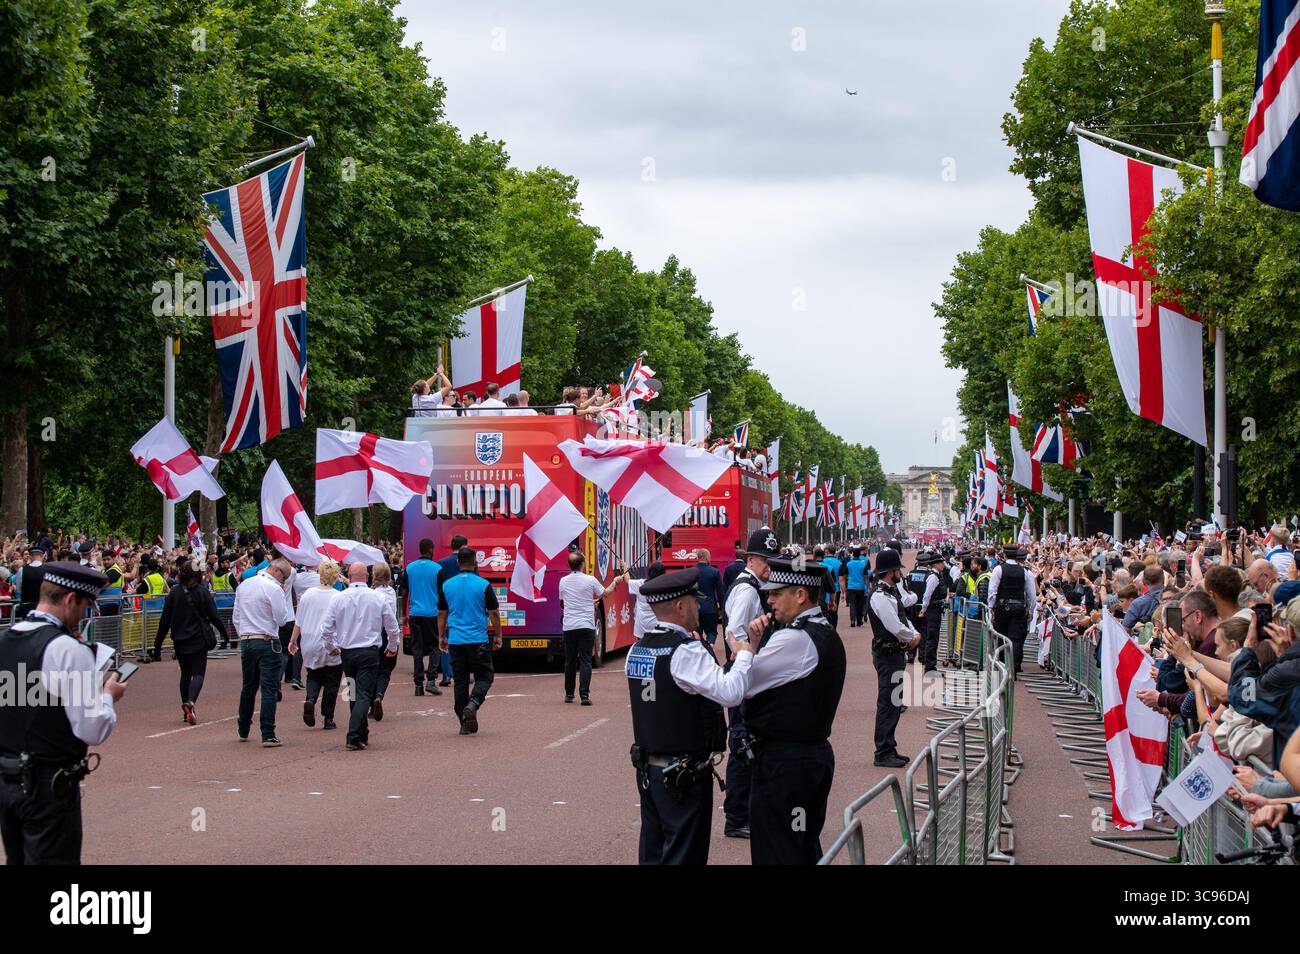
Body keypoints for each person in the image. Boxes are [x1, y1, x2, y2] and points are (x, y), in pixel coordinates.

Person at [625, 567, 754, 864]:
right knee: (685, 854)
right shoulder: (685, 651)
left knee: (653, 852)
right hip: (683, 775)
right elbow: (730, 693)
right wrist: (744, 653)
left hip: (649, 769)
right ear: (680, 606)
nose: (701, 606)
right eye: (695, 601)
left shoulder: (638, 649)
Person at [0, 562, 125, 864]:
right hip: (49, 784)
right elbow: (92, 728)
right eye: (86, 605)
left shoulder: (5, 640)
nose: (85, 614)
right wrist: (108, 696)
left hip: (7, 778)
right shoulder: (68, 650)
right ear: (70, 599)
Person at [737, 556, 847, 864]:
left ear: (800, 595)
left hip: (784, 764)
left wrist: (744, 651)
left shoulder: (794, 639)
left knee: (777, 850)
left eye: (776, 592)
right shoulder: (820, 630)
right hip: (808, 758)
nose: (769, 599)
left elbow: (739, 686)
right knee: (801, 847)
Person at [718, 526, 781, 839]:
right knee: (742, 743)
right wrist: (748, 662)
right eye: (766, 559)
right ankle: (736, 816)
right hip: (743, 670)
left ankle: (744, 811)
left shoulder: (755, 584)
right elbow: (735, 633)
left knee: (749, 740)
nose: (770, 565)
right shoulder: (746, 589)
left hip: (748, 668)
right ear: (752, 559)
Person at [320, 563, 401, 750]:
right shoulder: (378, 598)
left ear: (349, 575)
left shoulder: (339, 598)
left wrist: (330, 646)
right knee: (363, 693)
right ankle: (354, 734)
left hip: (348, 652)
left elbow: (326, 628)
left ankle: (361, 733)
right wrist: (393, 645)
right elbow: (392, 625)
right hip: (368, 651)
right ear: (367, 576)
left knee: (354, 692)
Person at [439, 546, 503, 735]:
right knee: (485, 676)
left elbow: (442, 613)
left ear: (458, 562)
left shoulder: (447, 585)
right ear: (474, 563)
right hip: (478, 639)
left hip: (457, 640)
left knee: (460, 680)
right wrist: (498, 635)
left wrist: (442, 636)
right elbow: (494, 613)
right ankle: (474, 703)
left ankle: (463, 720)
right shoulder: (483, 585)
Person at [867, 547, 921, 767]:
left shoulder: (889, 592)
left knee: (894, 701)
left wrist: (912, 632)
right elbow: (894, 626)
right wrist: (913, 637)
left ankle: (889, 745)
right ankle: (883, 750)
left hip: (893, 653)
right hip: (887, 653)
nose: (900, 573)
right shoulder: (880, 596)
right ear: (891, 572)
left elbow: (901, 617)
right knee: (888, 703)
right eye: (897, 569)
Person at [152, 563, 223, 725]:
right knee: (198, 674)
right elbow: (214, 616)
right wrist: (225, 636)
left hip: (179, 640)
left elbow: (164, 621)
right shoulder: (202, 592)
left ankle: (186, 710)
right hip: (198, 639)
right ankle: (190, 702)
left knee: (185, 674)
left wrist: (157, 646)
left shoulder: (174, 593)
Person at [232, 557, 293, 746]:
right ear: (276, 572)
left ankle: (243, 726)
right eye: (284, 578)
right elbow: (282, 619)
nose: (284, 582)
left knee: (248, 686)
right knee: (269, 689)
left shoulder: (244, 585)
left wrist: (244, 633)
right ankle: (267, 732)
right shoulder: (274, 588)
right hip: (268, 640)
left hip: (248, 639)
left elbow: (236, 616)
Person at [558, 551, 628, 704]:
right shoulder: (590, 580)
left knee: (569, 661)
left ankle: (569, 694)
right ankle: (584, 695)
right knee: (585, 660)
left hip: (569, 626)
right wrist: (615, 581)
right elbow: (606, 593)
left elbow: (563, 603)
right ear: (582, 564)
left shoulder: (563, 581)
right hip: (586, 625)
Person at [290, 560, 344, 731]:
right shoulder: (338, 596)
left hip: (309, 641)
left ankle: (311, 699)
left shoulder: (307, 595)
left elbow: (299, 621)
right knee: (332, 681)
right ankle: (328, 718)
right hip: (331, 642)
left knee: (313, 676)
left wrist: (292, 640)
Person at [987, 545, 1036, 675]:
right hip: (1019, 608)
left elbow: (992, 591)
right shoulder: (1026, 572)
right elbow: (1031, 595)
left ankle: (1002, 665)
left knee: (1001, 636)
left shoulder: (998, 569)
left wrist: (991, 608)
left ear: (1005, 556)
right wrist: (1030, 611)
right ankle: (1013, 667)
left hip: (1002, 607)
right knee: (1016, 639)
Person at [405, 538, 443, 696]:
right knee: (435, 646)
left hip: (414, 613)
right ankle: (431, 680)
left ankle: (418, 684)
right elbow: (442, 593)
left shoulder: (409, 568)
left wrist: (403, 614)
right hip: (431, 613)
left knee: (417, 649)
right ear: (430, 549)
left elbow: (404, 592)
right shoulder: (437, 568)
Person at [433, 536, 468, 687]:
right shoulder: (470, 563)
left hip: (446, 605)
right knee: (465, 640)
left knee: (445, 640)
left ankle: (447, 675)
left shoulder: (441, 564)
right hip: (465, 606)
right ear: (463, 547)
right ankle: (463, 672)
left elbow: (438, 587)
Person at [369, 562, 400, 721]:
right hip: (389, 634)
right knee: (385, 671)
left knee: (372, 670)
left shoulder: (373, 594)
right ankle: (379, 696)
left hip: (375, 634)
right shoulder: (392, 593)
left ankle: (370, 702)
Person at [910, 550, 947, 678]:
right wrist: (924, 609)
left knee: (933, 637)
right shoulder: (933, 577)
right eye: (941, 563)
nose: (943, 565)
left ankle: (931, 665)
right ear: (936, 564)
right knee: (932, 638)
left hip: (934, 609)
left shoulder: (936, 575)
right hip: (932, 609)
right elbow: (927, 595)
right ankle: (930, 667)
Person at [693, 548, 724, 645]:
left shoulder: (691, 571)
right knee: (712, 632)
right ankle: (710, 647)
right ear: (708, 557)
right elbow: (720, 592)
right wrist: (721, 608)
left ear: (698, 557)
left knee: (697, 633)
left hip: (695, 607)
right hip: (710, 608)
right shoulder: (714, 572)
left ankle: (699, 649)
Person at [844, 548, 869, 627]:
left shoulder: (848, 564)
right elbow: (865, 577)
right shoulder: (863, 564)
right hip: (860, 587)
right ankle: (859, 621)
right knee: (860, 604)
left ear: (853, 555)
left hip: (851, 586)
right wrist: (867, 586)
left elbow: (845, 575)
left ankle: (852, 621)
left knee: (852, 604)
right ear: (859, 555)